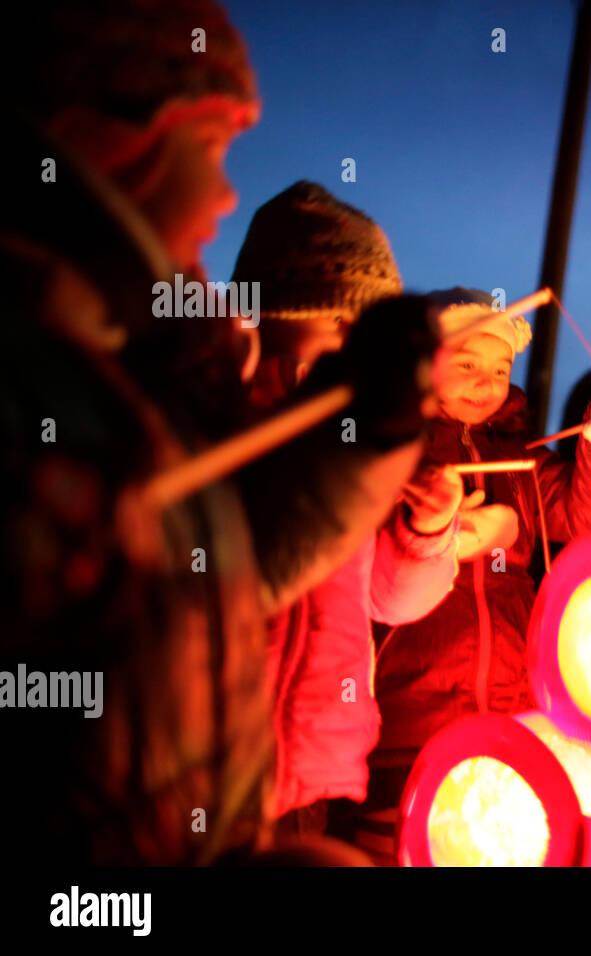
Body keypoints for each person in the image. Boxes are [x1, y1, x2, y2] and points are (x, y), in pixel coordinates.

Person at [1, 0, 440, 865]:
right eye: (210, 148)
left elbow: (231, 557)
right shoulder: (38, 367)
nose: (229, 191)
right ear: (105, 141)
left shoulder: (144, 365)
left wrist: (365, 442)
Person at [357, 288, 591, 862]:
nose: (486, 383)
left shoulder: (525, 458)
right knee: (401, 841)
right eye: (466, 365)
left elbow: (586, 519)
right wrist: (451, 528)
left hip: (513, 705)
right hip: (409, 705)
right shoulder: (392, 448)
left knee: (488, 838)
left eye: (500, 369)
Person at [230, 182, 463, 837]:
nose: (349, 355)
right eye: (336, 329)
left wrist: (426, 528)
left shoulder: (363, 447)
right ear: (268, 318)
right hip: (212, 747)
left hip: (314, 754)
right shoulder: (231, 425)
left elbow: (393, 600)